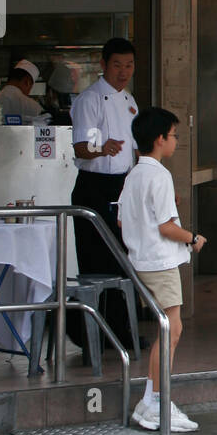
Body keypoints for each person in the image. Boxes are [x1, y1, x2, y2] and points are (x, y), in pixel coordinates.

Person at [117, 107, 205, 433]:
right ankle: (155, 399)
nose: (176, 141)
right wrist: (193, 238)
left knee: (167, 329)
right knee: (171, 330)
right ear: (159, 139)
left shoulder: (134, 175)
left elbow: (123, 219)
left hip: (141, 260)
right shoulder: (160, 175)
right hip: (160, 261)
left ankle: (152, 399)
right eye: (173, 135)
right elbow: (167, 227)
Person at [70, 38, 138, 344]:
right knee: (97, 261)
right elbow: (82, 147)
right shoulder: (90, 99)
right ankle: (93, 334)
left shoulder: (128, 100)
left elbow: (135, 151)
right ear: (103, 65)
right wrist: (102, 148)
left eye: (129, 65)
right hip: (95, 189)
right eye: (117, 65)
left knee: (122, 258)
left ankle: (121, 329)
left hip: (121, 187)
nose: (123, 72)